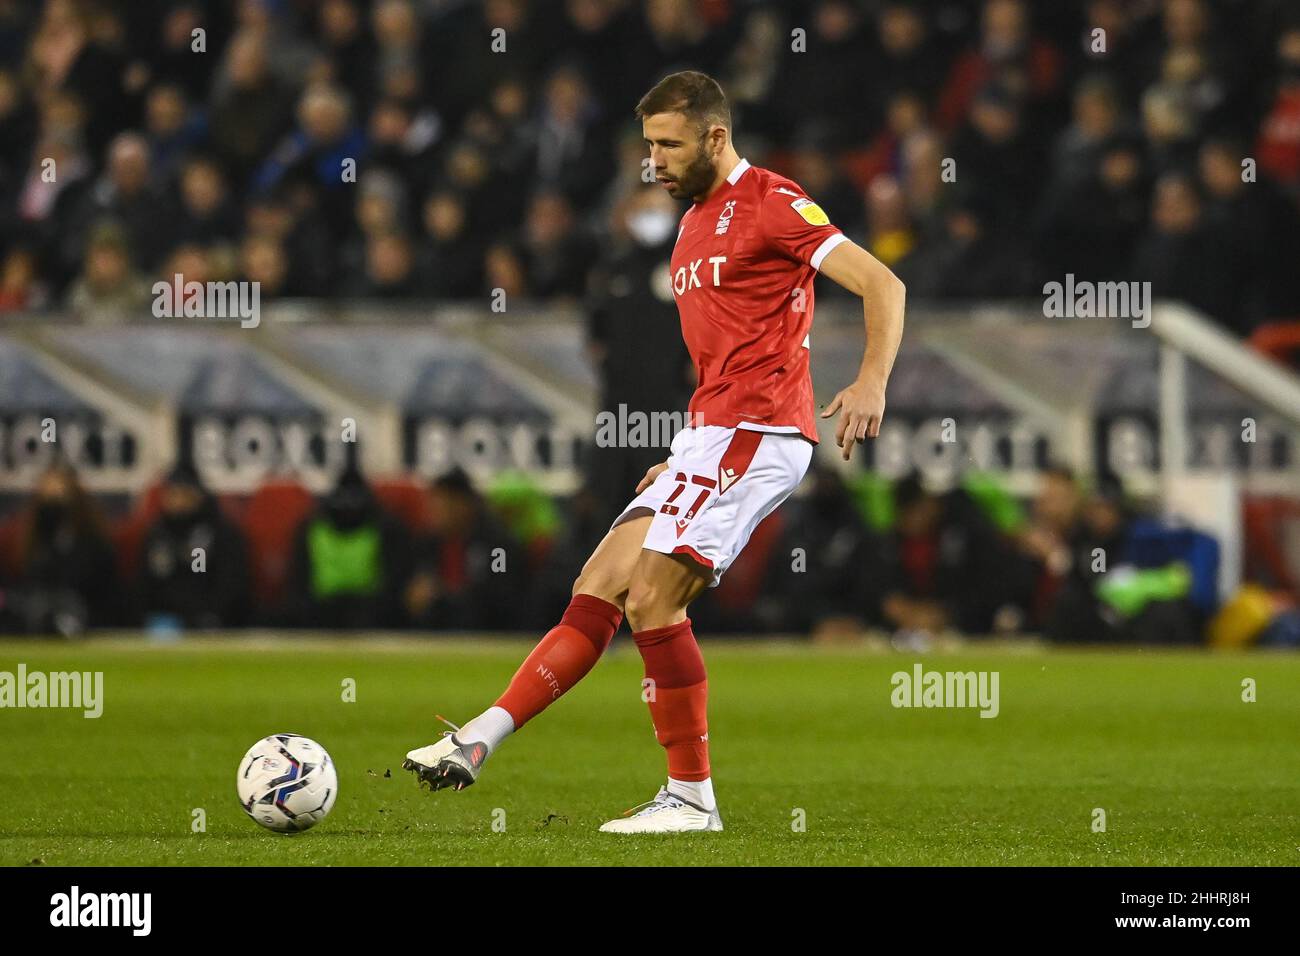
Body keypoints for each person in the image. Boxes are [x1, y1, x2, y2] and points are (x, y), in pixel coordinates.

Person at [403, 71, 906, 833]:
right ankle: (479, 739)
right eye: (648, 146)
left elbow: (882, 282)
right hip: (710, 433)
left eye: (668, 144)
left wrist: (870, 381)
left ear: (714, 136)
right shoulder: (692, 222)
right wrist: (685, 456)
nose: (655, 161)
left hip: (762, 429)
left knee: (652, 598)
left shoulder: (773, 200)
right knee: (601, 581)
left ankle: (691, 798)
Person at [137, 462, 251, 630]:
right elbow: (145, 584)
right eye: (172, 494)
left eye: (184, 493)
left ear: (198, 494)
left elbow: (229, 583)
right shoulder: (157, 536)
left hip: (212, 622)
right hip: (163, 624)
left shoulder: (220, 534)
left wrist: (209, 614)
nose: (177, 501)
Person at [10, 460, 117, 635]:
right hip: (40, 609)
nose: (53, 497)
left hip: (88, 613)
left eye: (60, 491)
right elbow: (30, 576)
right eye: (48, 491)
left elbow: (97, 580)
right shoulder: (33, 534)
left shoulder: (90, 534)